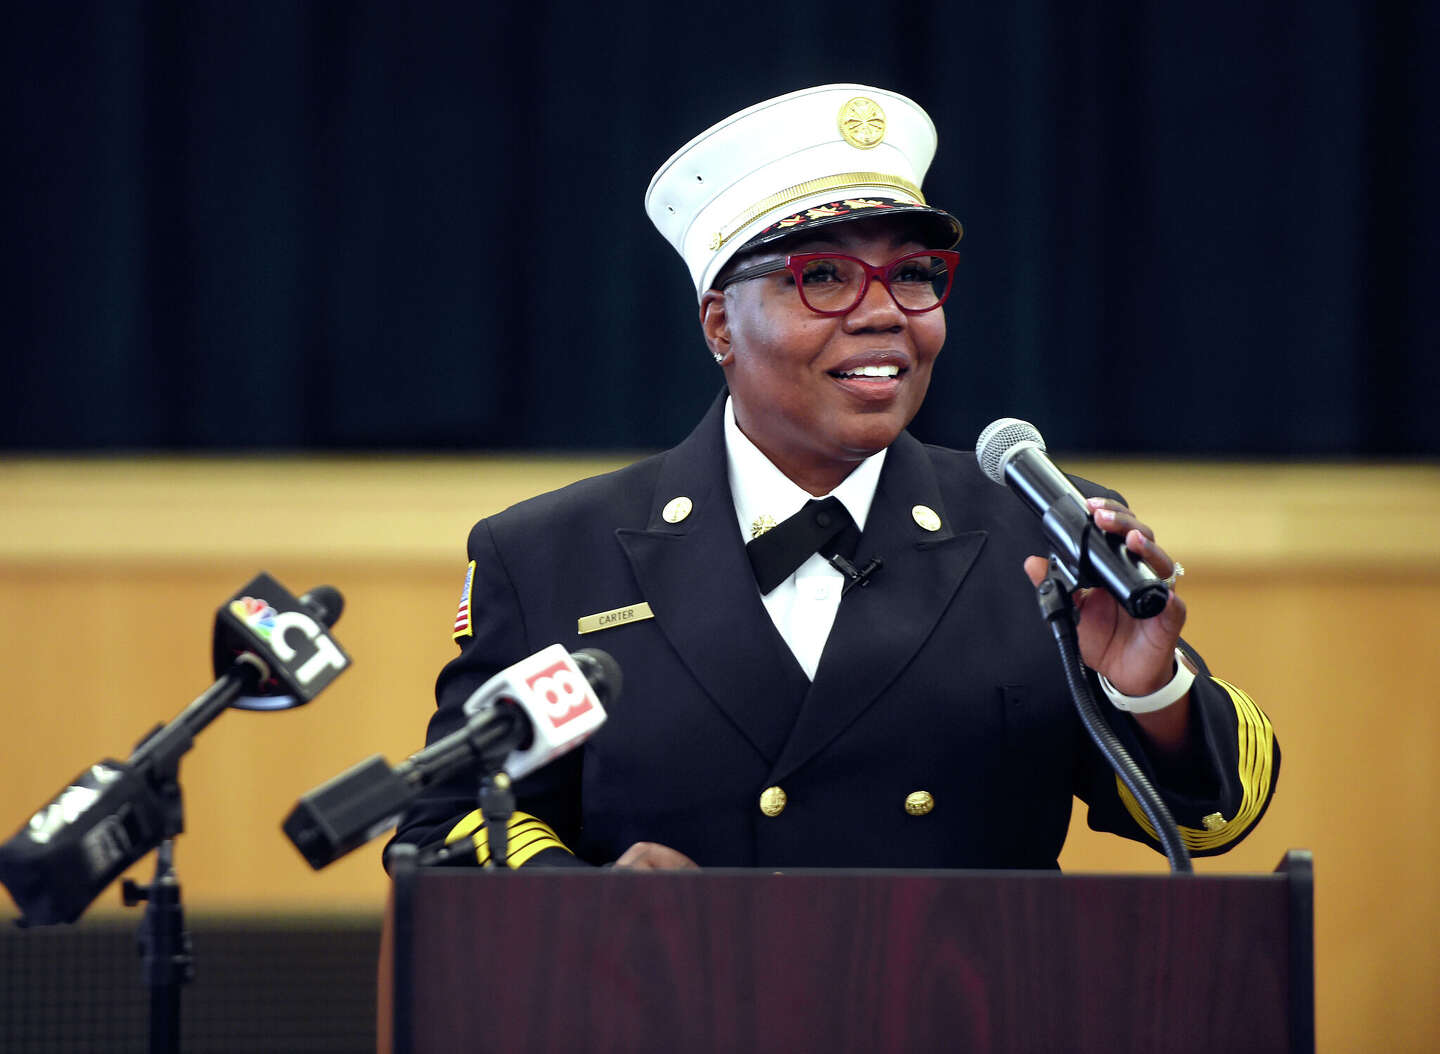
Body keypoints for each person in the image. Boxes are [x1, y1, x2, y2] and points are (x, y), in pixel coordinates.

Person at [390, 84, 1279, 872]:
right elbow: (451, 820)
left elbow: (1213, 819)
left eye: (915, 276)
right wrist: (591, 912)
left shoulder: (1034, 530)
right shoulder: (553, 555)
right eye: (822, 277)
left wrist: (1143, 690)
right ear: (719, 325)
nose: (887, 312)